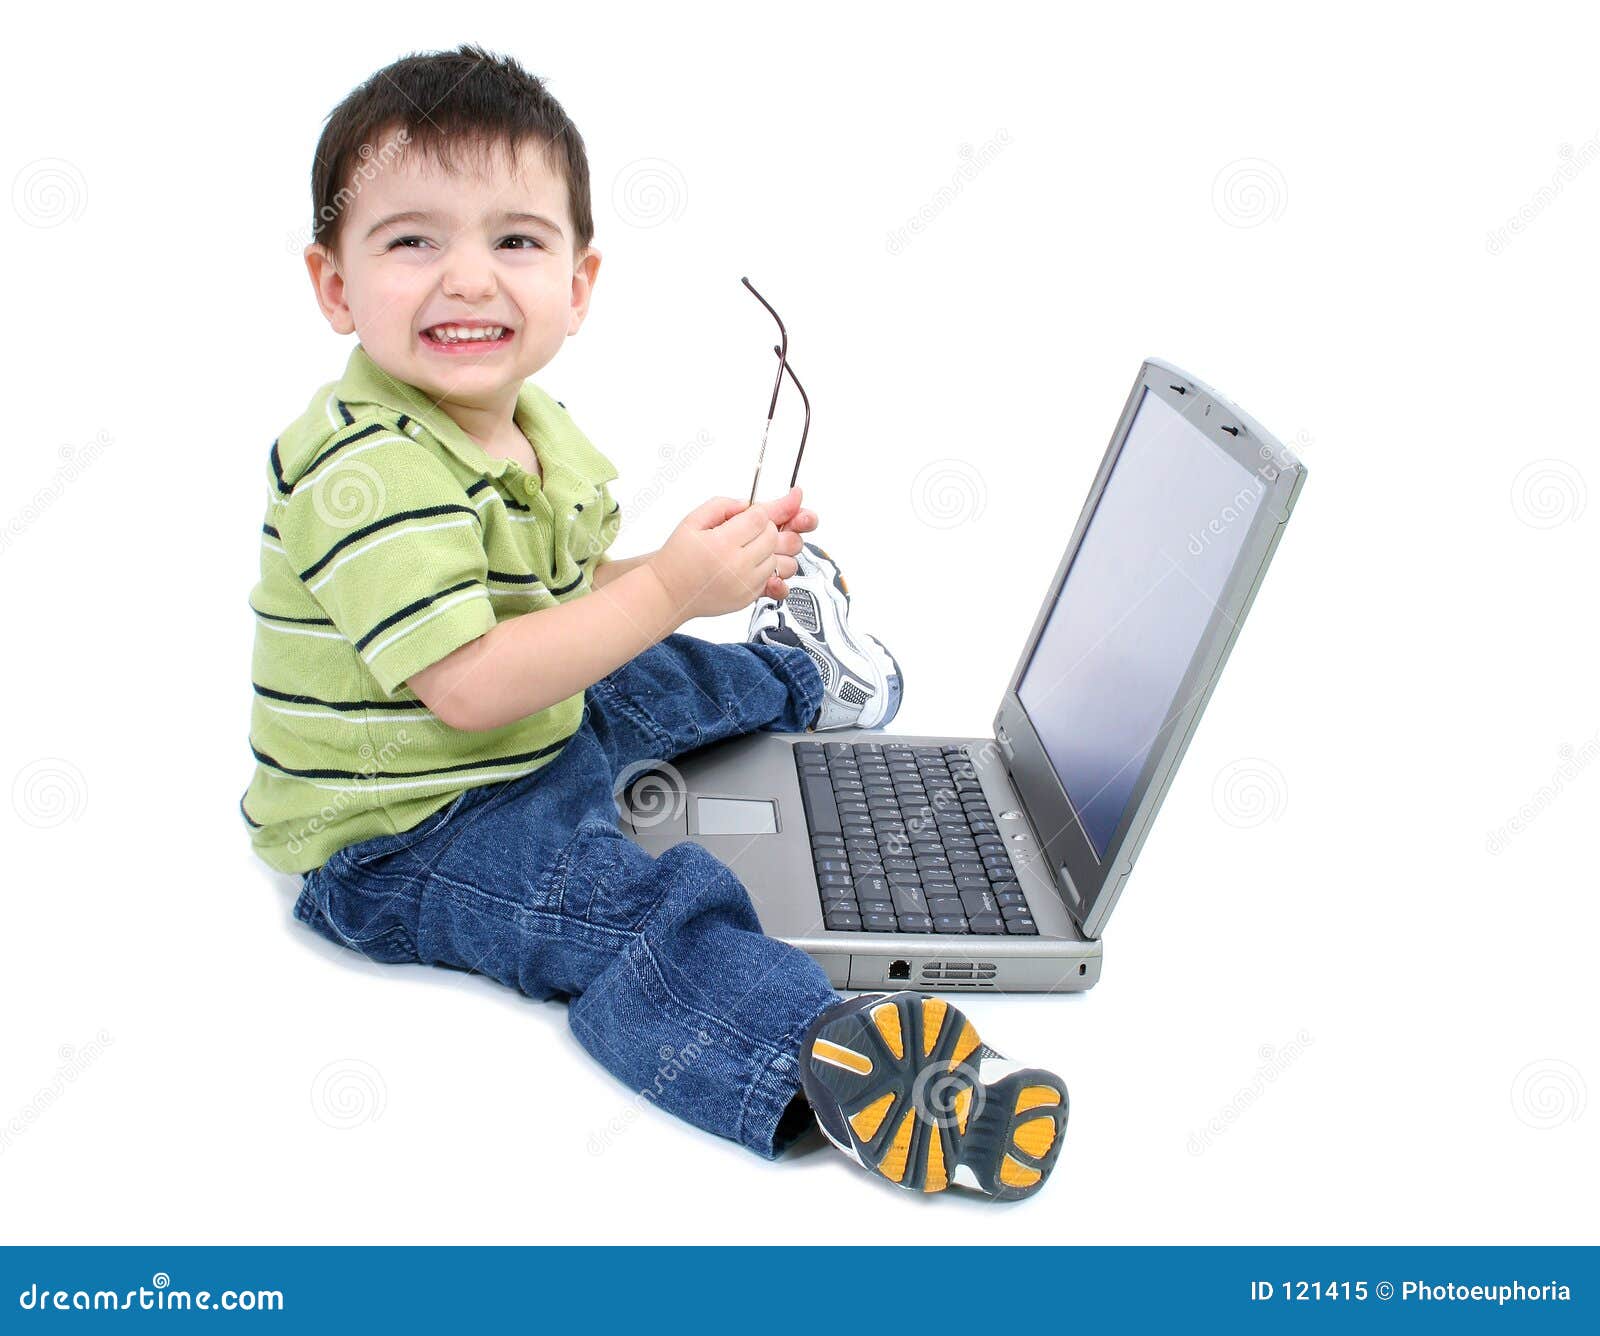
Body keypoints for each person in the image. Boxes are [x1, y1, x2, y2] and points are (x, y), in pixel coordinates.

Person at [241, 44, 1067, 1199]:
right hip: (410, 830)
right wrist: (665, 588)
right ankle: (838, 1068)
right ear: (335, 284)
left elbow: (568, 606)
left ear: (578, 285)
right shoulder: (362, 472)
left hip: (527, 728)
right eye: (413, 239)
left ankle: (793, 681)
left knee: (657, 669)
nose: (468, 278)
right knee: (629, 911)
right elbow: (471, 684)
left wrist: (698, 573)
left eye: (514, 240)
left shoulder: (525, 425)